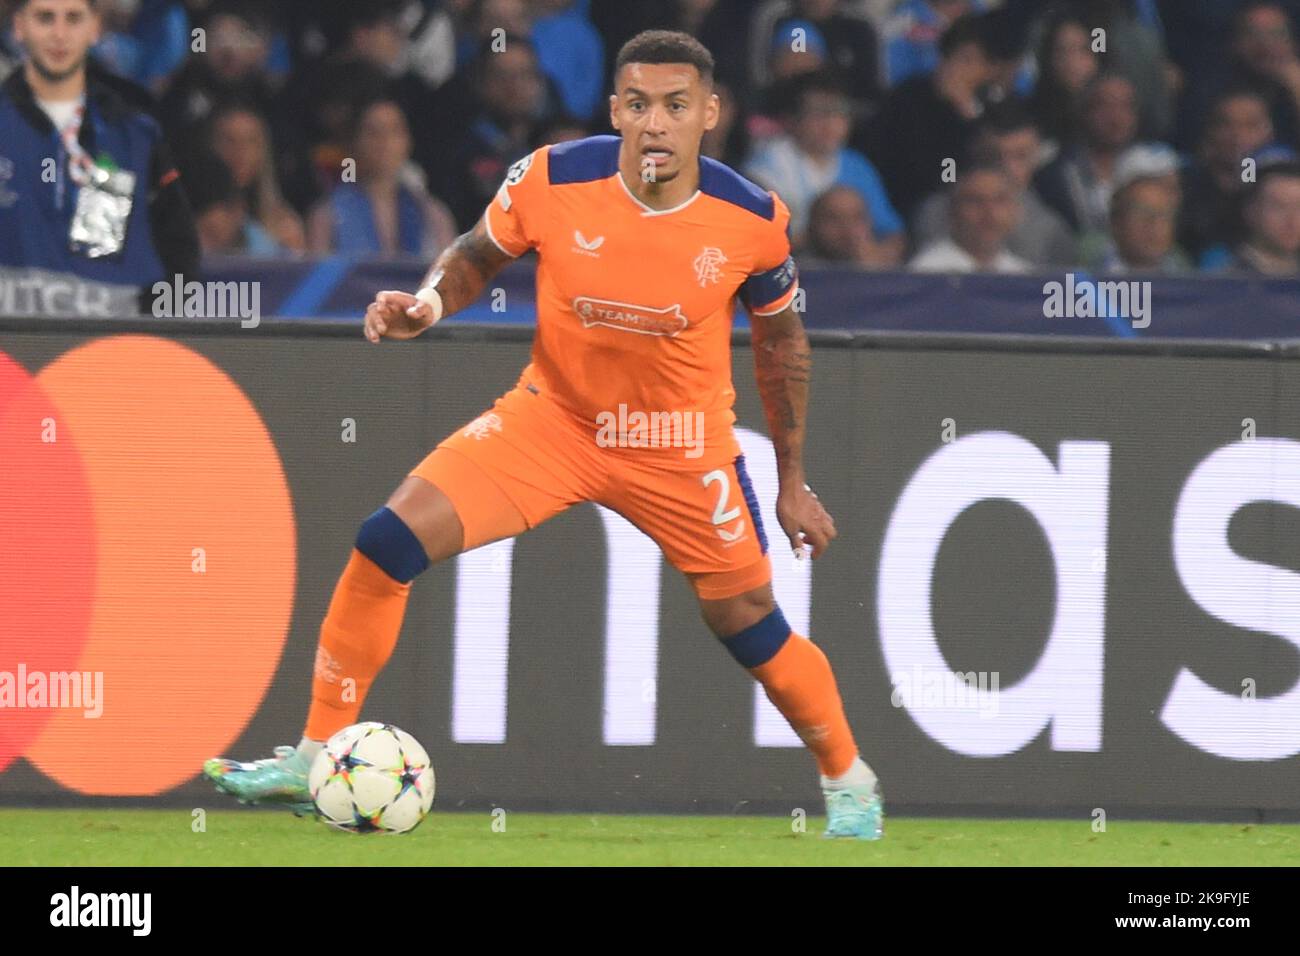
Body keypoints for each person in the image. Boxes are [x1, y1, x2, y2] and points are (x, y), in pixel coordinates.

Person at [204, 29, 884, 841]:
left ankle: (850, 780)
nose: (654, 124)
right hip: (553, 420)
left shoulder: (753, 219)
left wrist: (792, 480)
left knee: (751, 625)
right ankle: (313, 755)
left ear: (710, 113)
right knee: (386, 540)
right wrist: (426, 303)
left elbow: (782, 345)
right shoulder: (553, 176)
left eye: (674, 106)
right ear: (614, 111)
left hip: (679, 444)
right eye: (637, 105)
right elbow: (476, 254)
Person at [0, 0, 197, 304]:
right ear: (18, 27)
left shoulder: (135, 135)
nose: (60, 34)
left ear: (95, 27)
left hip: (109, 348)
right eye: (45, 18)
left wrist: (154, 339)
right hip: (10, 348)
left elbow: (179, 252)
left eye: (74, 19)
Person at [909, 161, 1030, 273]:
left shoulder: (1024, 275)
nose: (990, 212)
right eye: (975, 201)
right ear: (952, 211)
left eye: (1000, 200)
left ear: (1015, 210)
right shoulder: (926, 272)